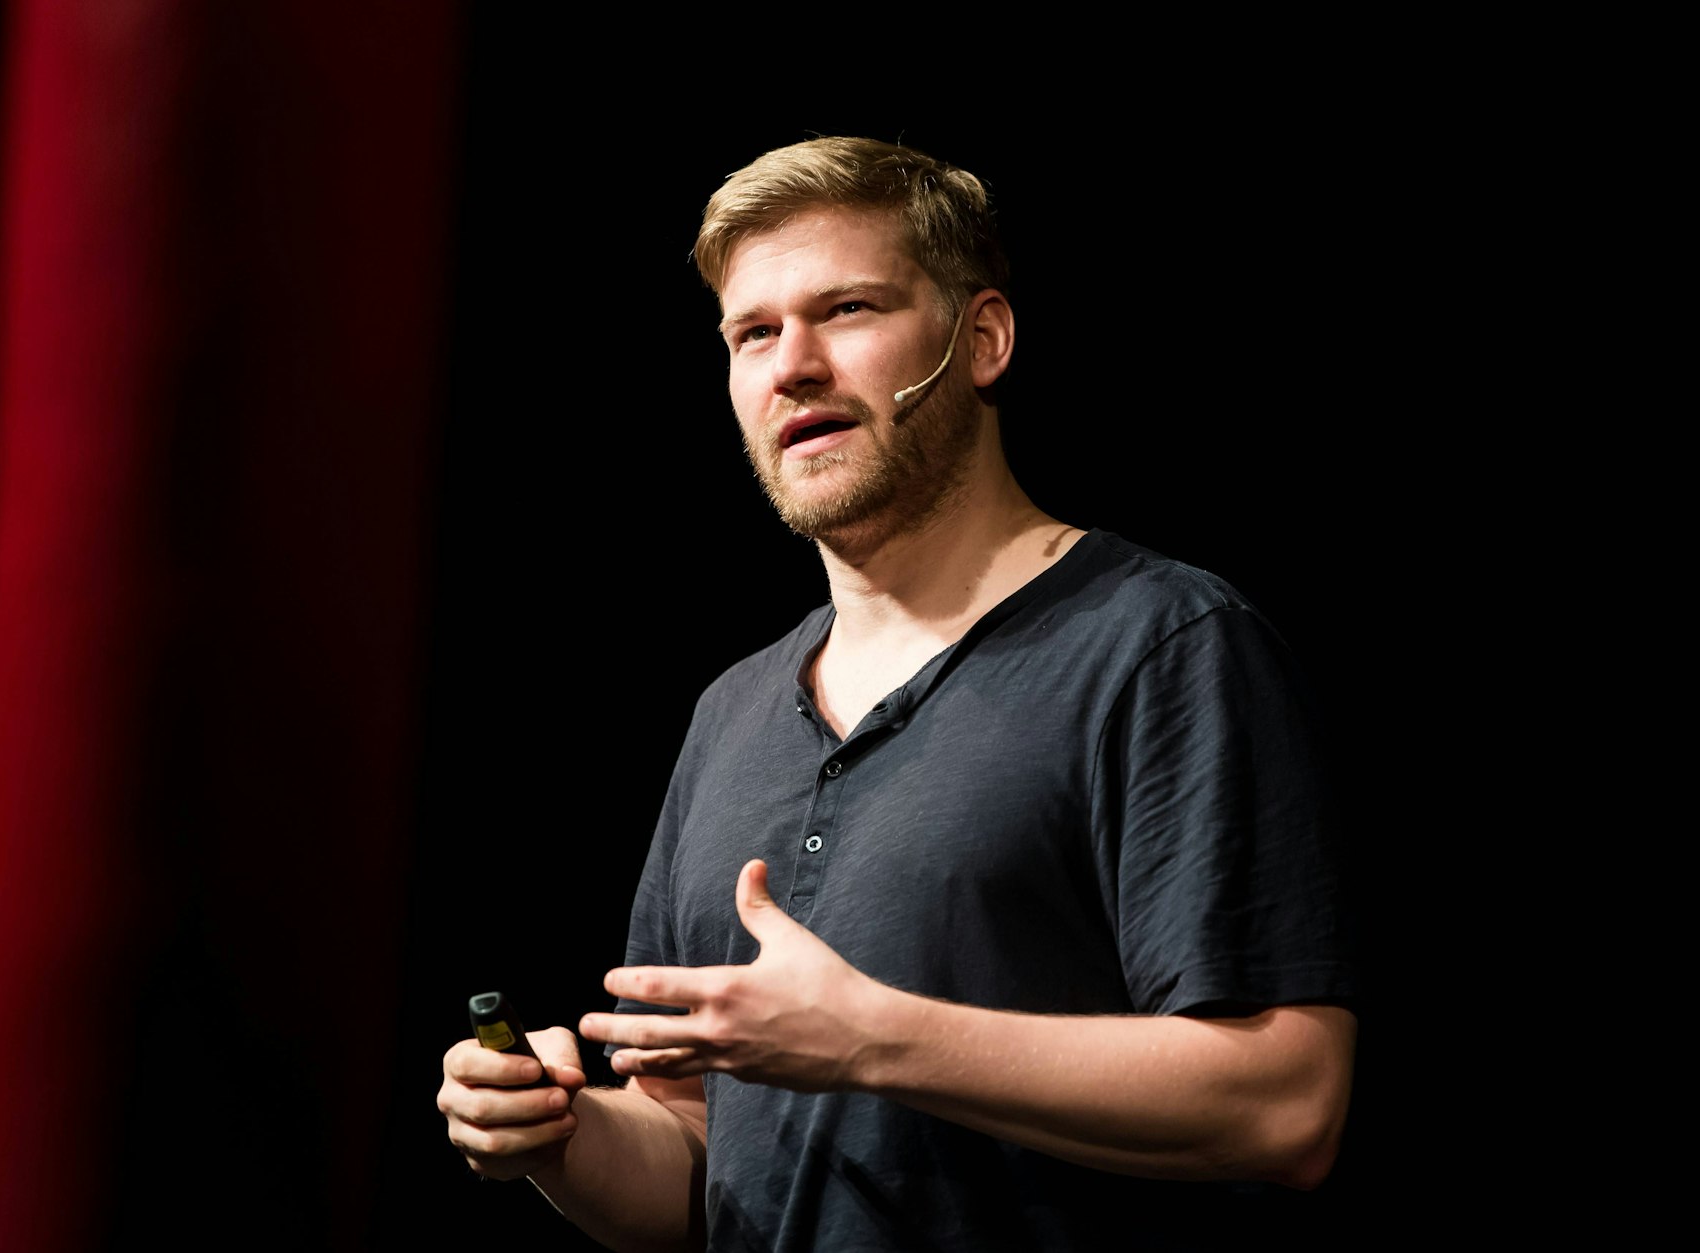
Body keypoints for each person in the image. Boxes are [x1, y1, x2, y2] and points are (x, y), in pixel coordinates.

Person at [439, 135, 1360, 1252]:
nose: (792, 366)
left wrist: (872, 1038)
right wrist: (560, 1134)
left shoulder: (1158, 645)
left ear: (980, 339)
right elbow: (694, 1158)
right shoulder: (728, 712)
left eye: (848, 310)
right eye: (753, 332)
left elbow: (1284, 1101)